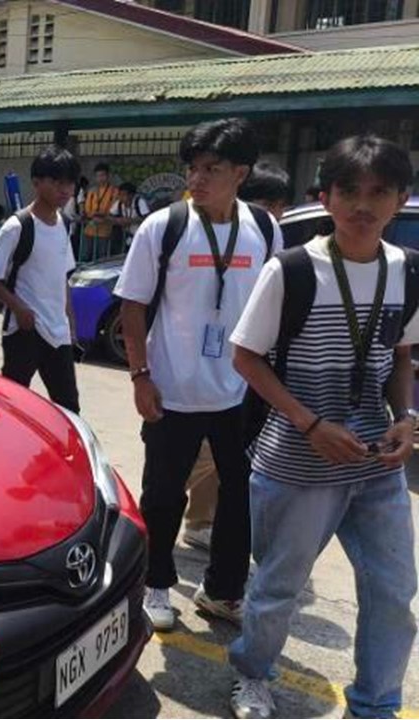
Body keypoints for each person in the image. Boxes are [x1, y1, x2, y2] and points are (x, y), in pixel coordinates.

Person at [226, 136, 418, 720]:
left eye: (379, 192)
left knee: (392, 594)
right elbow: (246, 357)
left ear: (400, 198)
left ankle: (376, 705)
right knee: (278, 591)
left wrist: (407, 419)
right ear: (326, 198)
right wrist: (310, 424)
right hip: (296, 463)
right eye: (350, 191)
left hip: (376, 462)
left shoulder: (406, 270)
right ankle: (252, 675)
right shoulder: (290, 270)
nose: (364, 205)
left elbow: (400, 355)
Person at [114, 117, 281, 632]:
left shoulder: (263, 227)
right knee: (164, 495)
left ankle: (223, 591)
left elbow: (270, 303)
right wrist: (141, 376)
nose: (197, 178)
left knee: (240, 494)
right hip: (172, 391)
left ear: (241, 172)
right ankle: (157, 584)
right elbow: (133, 306)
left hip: (239, 392)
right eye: (192, 167)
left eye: (211, 168)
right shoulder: (164, 227)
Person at [182, 160, 293, 553]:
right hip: (202, 370)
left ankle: (202, 520)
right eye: (268, 204)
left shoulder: (264, 235)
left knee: (225, 456)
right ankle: (178, 515)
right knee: (199, 454)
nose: (274, 215)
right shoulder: (185, 228)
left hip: (246, 366)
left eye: (278, 206)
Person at [0, 146, 81, 412]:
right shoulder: (18, 226)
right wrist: (18, 307)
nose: (65, 190)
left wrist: (70, 320)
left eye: (70, 183)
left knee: (69, 408)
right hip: (24, 331)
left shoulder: (64, 224)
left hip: (57, 332)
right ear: (37, 182)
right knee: (13, 406)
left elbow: (62, 276)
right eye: (57, 182)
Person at [80, 163, 120, 262]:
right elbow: (87, 208)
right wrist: (90, 215)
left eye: (103, 175)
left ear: (108, 176)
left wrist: (103, 216)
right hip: (90, 228)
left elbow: (114, 209)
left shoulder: (114, 191)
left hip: (105, 230)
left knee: (101, 259)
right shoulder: (92, 191)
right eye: (98, 176)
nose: (100, 178)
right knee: (85, 257)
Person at [113, 182, 150, 247]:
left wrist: (130, 221)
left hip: (140, 235)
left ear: (131, 195)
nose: (121, 197)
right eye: (120, 195)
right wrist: (117, 220)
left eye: (123, 195)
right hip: (125, 235)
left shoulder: (139, 202)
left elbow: (147, 218)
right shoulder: (118, 204)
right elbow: (110, 215)